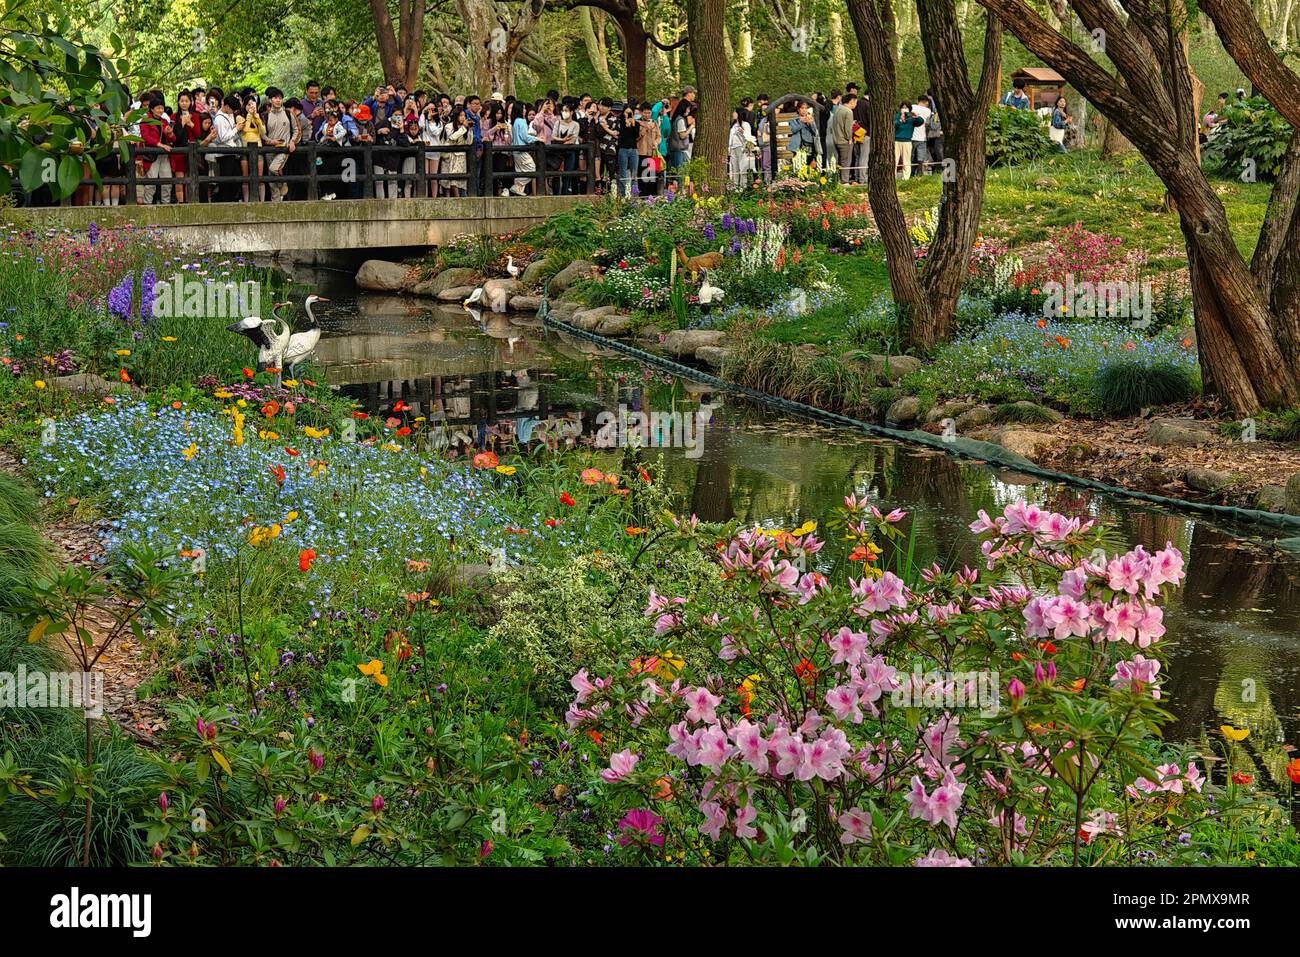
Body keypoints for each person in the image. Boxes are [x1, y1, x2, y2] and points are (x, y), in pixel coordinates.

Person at [137, 95, 175, 204]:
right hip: (152, 155)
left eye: (162, 108)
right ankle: (148, 205)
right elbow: (145, 137)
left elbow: (173, 138)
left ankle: (165, 204)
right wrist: (160, 145)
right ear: (152, 108)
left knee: (167, 181)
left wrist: (170, 133)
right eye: (158, 108)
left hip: (164, 155)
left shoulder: (164, 121)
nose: (160, 110)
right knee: (151, 183)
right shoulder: (146, 120)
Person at [263, 88, 296, 201]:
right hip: (269, 149)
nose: (278, 100)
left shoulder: (288, 113)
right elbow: (262, 134)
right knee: (271, 181)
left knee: (273, 169)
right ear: (270, 100)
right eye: (275, 98)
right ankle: (275, 203)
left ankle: (282, 183)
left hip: (283, 149)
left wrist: (292, 141)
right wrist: (271, 141)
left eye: (280, 98)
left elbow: (297, 129)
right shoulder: (265, 116)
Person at [170, 90, 195, 203]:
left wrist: (191, 124)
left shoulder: (195, 116)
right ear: (178, 102)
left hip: (192, 151)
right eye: (182, 101)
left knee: (191, 177)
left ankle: (191, 201)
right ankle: (181, 203)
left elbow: (198, 134)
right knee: (179, 179)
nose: (184, 103)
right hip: (178, 150)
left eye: (187, 101)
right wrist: (182, 123)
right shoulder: (173, 116)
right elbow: (175, 136)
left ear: (191, 102)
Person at [509, 100, 538, 195]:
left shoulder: (515, 121)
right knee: (532, 168)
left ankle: (518, 190)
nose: (525, 110)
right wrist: (537, 138)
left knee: (520, 171)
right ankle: (516, 187)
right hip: (521, 150)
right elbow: (525, 137)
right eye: (524, 108)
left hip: (515, 150)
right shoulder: (521, 121)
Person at [240, 94, 265, 200]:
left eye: (252, 104)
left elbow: (263, 132)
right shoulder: (240, 117)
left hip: (258, 148)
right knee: (246, 177)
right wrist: (249, 115)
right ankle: (246, 201)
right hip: (245, 148)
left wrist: (257, 117)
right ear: (244, 106)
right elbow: (244, 130)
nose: (250, 106)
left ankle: (262, 201)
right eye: (248, 104)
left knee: (260, 177)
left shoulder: (259, 117)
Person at [553, 102, 581, 194]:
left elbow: (573, 139)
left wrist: (562, 141)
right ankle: (556, 194)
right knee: (556, 174)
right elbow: (553, 136)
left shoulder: (575, 124)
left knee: (567, 175)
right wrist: (563, 140)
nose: (564, 112)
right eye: (563, 111)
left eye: (566, 111)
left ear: (571, 112)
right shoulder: (558, 122)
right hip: (557, 151)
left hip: (570, 151)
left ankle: (565, 193)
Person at [636, 101, 662, 196]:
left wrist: (656, 142)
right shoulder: (637, 123)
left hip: (653, 153)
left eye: (649, 112)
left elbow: (659, 136)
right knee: (643, 177)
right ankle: (642, 197)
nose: (647, 115)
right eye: (645, 112)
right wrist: (645, 129)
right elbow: (636, 138)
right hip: (641, 153)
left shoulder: (654, 123)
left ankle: (653, 197)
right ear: (641, 112)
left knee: (653, 177)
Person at [893, 102, 923, 181]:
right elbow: (894, 124)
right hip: (896, 140)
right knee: (894, 160)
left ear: (909, 109)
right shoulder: (896, 116)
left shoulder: (911, 118)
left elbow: (921, 122)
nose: (904, 109)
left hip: (907, 141)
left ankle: (905, 178)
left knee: (906, 161)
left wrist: (916, 116)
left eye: (906, 107)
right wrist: (900, 120)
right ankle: (892, 178)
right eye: (903, 107)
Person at [788, 100, 821, 171]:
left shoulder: (811, 118)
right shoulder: (794, 120)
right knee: (798, 167)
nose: (804, 110)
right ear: (798, 109)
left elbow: (815, 132)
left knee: (810, 167)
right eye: (802, 108)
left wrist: (811, 123)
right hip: (797, 146)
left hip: (809, 146)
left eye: (806, 108)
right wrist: (802, 122)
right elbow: (793, 130)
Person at [830, 92, 855, 183]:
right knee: (846, 162)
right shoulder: (848, 111)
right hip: (844, 141)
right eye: (855, 102)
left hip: (836, 139)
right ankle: (844, 181)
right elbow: (848, 128)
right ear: (851, 101)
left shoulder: (838, 109)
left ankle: (838, 180)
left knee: (839, 161)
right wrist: (849, 138)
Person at [728, 107, 756, 189]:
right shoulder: (733, 125)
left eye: (735, 112)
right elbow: (730, 138)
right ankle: (735, 187)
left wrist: (743, 132)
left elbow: (749, 137)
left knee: (743, 168)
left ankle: (743, 187)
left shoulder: (745, 124)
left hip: (742, 148)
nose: (733, 114)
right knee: (734, 168)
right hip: (733, 148)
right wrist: (729, 148)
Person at [909, 95, 932, 176]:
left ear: (918, 100)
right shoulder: (928, 110)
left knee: (911, 157)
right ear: (926, 102)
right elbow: (928, 123)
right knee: (920, 157)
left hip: (911, 136)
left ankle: (910, 174)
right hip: (921, 137)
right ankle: (920, 174)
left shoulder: (912, 107)